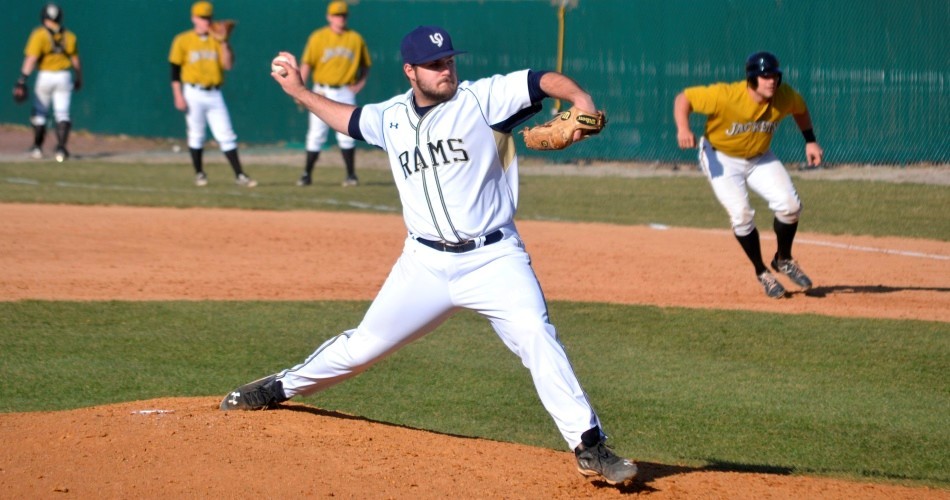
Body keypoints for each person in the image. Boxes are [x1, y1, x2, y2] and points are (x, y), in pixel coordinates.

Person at [221, 25, 638, 486]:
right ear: (410, 71)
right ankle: (279, 386)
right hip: (423, 265)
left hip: (494, 260)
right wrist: (299, 90)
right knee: (362, 348)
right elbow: (349, 119)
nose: (446, 70)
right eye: (435, 65)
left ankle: (589, 445)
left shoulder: (483, 99)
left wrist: (580, 100)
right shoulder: (391, 117)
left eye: (449, 61)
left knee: (537, 336)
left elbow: (542, 80)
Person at [673, 51, 824, 298]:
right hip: (721, 157)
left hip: (759, 157)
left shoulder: (784, 96)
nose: (771, 81)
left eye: (775, 76)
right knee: (741, 215)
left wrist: (810, 141)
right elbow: (684, 98)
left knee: (790, 206)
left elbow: (801, 109)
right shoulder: (727, 95)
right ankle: (762, 272)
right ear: (752, 79)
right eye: (765, 76)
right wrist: (683, 128)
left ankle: (783, 259)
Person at [168, 1, 256, 187]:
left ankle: (240, 175)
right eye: (202, 17)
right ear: (193, 18)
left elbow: (228, 65)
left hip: (215, 93)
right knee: (196, 134)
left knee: (226, 134)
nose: (206, 21)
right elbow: (174, 71)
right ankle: (199, 173)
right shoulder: (182, 40)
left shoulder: (217, 40)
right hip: (192, 92)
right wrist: (178, 95)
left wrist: (224, 43)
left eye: (208, 17)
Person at [295, 0, 372, 187]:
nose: (340, 18)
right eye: (336, 15)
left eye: (343, 15)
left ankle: (351, 175)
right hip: (322, 90)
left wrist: (361, 82)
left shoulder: (355, 39)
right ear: (329, 17)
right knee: (316, 133)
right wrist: (299, 90)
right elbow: (306, 64)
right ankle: (307, 174)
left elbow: (366, 65)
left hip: (345, 90)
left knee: (347, 133)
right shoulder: (318, 37)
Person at [15, 3, 82, 162]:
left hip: (45, 76)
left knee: (40, 113)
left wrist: (22, 80)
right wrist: (79, 78)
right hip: (64, 76)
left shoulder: (39, 35)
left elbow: (31, 59)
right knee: (62, 113)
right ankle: (61, 149)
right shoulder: (70, 36)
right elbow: (76, 61)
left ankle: (37, 148)